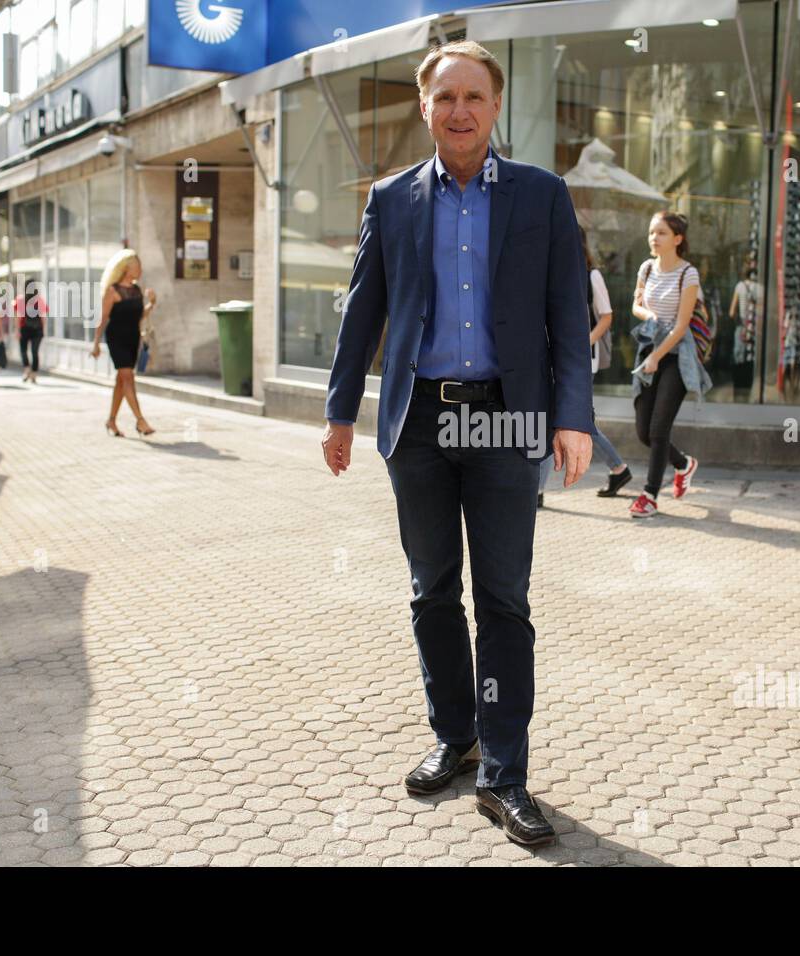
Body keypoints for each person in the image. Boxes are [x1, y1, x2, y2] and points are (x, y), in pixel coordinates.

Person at [321, 40, 593, 847]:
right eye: (445, 98)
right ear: (424, 105)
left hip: (509, 420)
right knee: (431, 591)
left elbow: (568, 317)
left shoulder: (542, 196)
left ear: (495, 106)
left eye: (474, 96)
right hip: (421, 422)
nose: (460, 111)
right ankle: (457, 735)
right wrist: (340, 411)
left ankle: (505, 776)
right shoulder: (393, 198)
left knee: (504, 599)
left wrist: (572, 416)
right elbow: (362, 311)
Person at [627, 211, 710, 517]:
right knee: (643, 431)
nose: (654, 238)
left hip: (676, 356)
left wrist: (656, 357)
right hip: (649, 351)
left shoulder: (688, 274)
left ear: (678, 239)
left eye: (661, 233)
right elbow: (635, 304)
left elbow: (680, 326)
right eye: (651, 232)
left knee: (659, 429)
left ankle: (649, 495)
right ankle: (683, 464)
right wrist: (647, 315)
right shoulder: (646, 268)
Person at [539, 226, 630, 506]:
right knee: (552, 416)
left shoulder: (592, 275)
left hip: (578, 358)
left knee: (569, 417)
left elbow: (606, 316)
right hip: (549, 355)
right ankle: (618, 468)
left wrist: (581, 343)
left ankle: (537, 491)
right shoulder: (545, 269)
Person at [91, 250, 157, 437]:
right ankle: (140, 421)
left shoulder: (136, 290)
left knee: (121, 381)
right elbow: (103, 318)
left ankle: (111, 420)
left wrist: (151, 303)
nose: (140, 269)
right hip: (116, 338)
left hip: (132, 338)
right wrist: (96, 344)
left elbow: (139, 316)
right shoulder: (113, 290)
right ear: (126, 268)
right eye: (137, 266)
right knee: (128, 377)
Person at [729, 267, 761, 402]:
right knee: (751, 359)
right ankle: (748, 389)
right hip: (754, 330)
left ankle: (737, 390)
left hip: (741, 328)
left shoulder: (740, 286)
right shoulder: (760, 288)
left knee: (738, 358)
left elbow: (731, 312)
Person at [15, 277, 48, 384]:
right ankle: (33, 374)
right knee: (35, 352)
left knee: (23, 350)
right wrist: (43, 330)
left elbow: (18, 317)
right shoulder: (39, 299)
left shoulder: (20, 299)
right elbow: (43, 317)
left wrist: (17, 330)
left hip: (24, 328)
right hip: (37, 329)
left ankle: (26, 370)